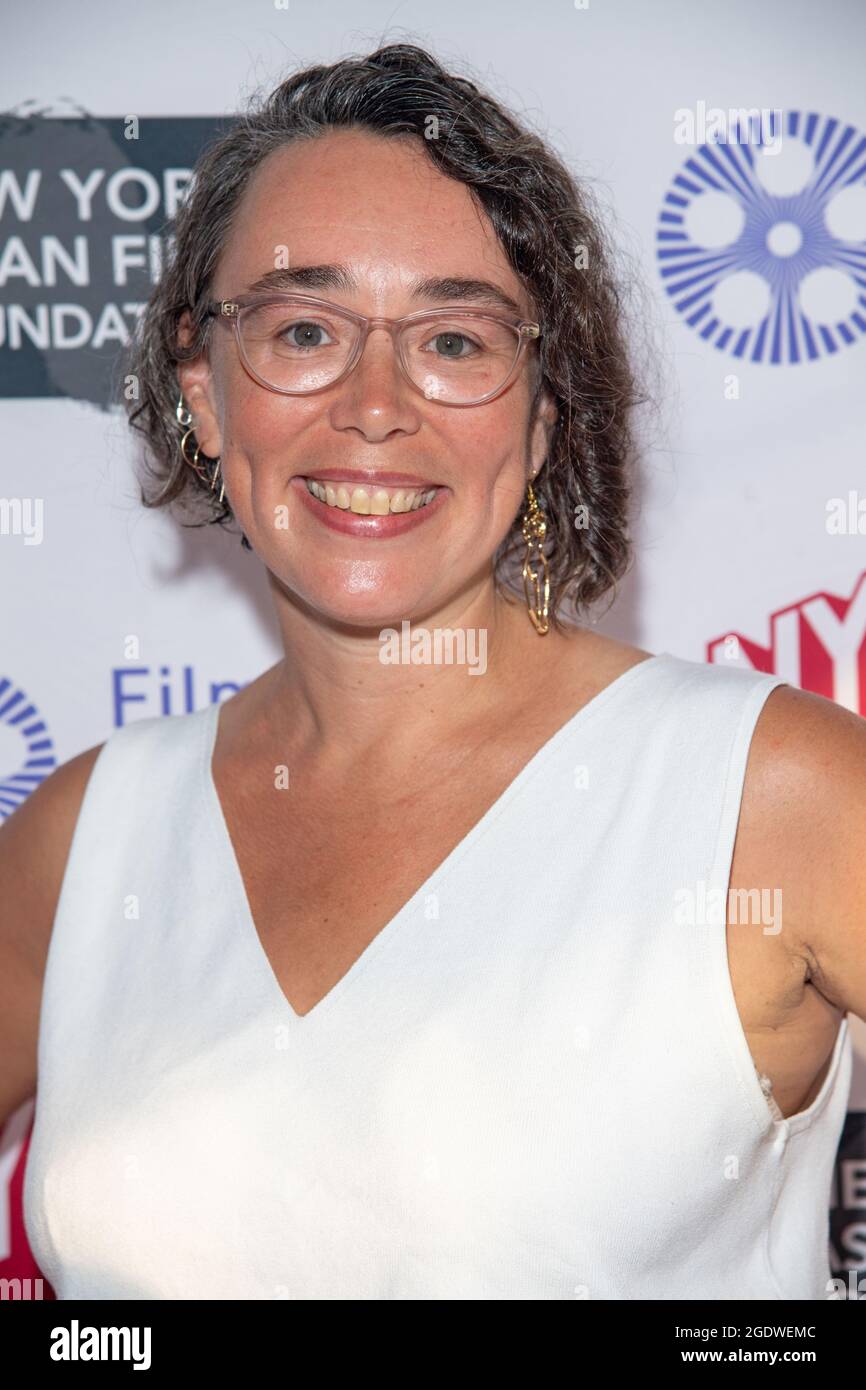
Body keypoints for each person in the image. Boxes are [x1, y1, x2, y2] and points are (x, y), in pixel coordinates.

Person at [1, 42, 864, 1302]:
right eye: (302, 327)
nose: (372, 404)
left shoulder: (777, 795)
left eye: (453, 340)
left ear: (540, 413)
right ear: (201, 389)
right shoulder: (86, 838)